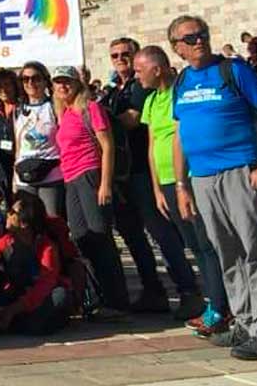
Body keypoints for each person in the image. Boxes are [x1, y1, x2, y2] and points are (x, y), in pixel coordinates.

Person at [169, 14, 257, 360]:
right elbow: (180, 135)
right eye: (190, 38)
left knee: (255, 250)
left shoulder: (233, 71)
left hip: (238, 173)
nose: (199, 41)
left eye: (202, 34)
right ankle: (244, 321)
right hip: (202, 179)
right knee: (227, 253)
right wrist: (181, 184)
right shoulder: (182, 81)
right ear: (177, 48)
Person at [102, 37, 204, 319]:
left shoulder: (141, 88)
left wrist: (98, 119)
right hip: (124, 174)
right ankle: (153, 290)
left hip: (145, 174)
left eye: (125, 54)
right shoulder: (115, 90)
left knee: (163, 234)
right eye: (114, 55)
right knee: (133, 236)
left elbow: (132, 120)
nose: (120, 59)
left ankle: (188, 290)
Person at [134, 46, 230, 337]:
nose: (137, 76)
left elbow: (183, 134)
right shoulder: (151, 100)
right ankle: (213, 303)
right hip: (165, 182)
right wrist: (157, 189)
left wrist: (181, 184)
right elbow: (151, 146)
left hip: (187, 178)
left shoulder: (181, 92)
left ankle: (220, 305)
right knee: (193, 244)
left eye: (140, 70)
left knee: (205, 242)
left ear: (157, 69)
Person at [52, 66, 128, 318]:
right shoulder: (64, 114)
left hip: (90, 174)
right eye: (58, 82)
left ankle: (117, 300)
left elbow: (107, 146)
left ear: (78, 83)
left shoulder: (91, 108)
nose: (63, 86)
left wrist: (105, 183)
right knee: (81, 238)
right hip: (71, 179)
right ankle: (98, 297)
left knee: (101, 236)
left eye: (67, 81)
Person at [0, 194, 72, 335]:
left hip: (38, 299)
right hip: (17, 295)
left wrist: (12, 311)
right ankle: (18, 324)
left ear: (24, 223)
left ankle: (13, 324)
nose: (7, 215)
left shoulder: (46, 247)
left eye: (12, 212)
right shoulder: (5, 243)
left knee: (60, 297)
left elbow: (45, 285)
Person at [13, 62, 65, 216]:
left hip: (51, 174)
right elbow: (18, 146)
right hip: (24, 176)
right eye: (25, 79)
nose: (30, 83)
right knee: (27, 222)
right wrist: (14, 179)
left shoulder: (55, 106)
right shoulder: (18, 109)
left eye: (35, 78)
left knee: (52, 219)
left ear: (44, 80)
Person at [0, 69, 21, 200]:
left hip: (20, 162)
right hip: (3, 164)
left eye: (7, 84)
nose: (3, 90)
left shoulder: (23, 108)